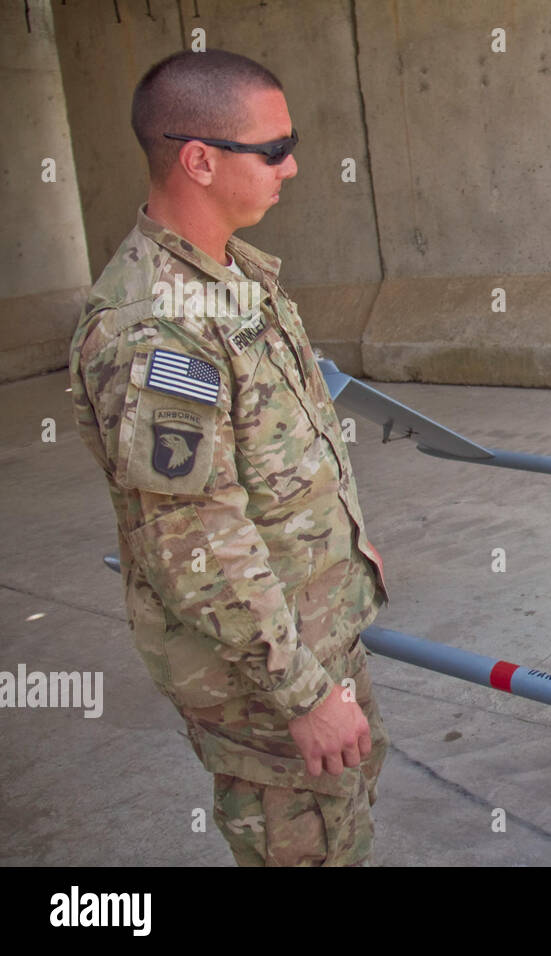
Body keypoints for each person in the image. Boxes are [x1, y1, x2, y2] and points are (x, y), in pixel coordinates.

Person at [68, 50, 388, 866]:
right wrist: (303, 695)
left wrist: (346, 543)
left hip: (312, 639)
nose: (294, 165)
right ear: (199, 160)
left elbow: (282, 438)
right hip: (264, 689)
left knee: (346, 829)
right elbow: (192, 539)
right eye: (273, 149)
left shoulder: (233, 275)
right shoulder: (154, 327)